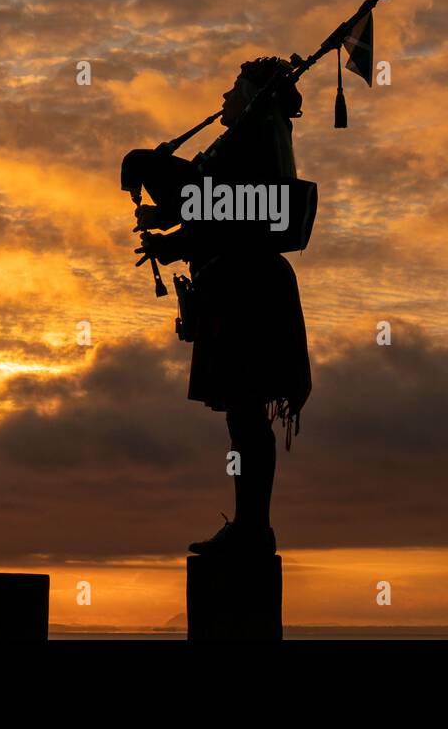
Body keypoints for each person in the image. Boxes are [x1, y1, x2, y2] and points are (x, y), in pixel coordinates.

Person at [131, 57, 312, 557]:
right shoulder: (248, 154)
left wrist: (160, 192)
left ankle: (253, 528)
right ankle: (251, 525)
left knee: (246, 415)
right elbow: (217, 212)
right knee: (242, 417)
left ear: (255, 98)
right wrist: (169, 234)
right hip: (241, 286)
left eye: (235, 88)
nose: (225, 98)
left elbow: (224, 213)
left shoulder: (251, 153)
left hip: (246, 292)